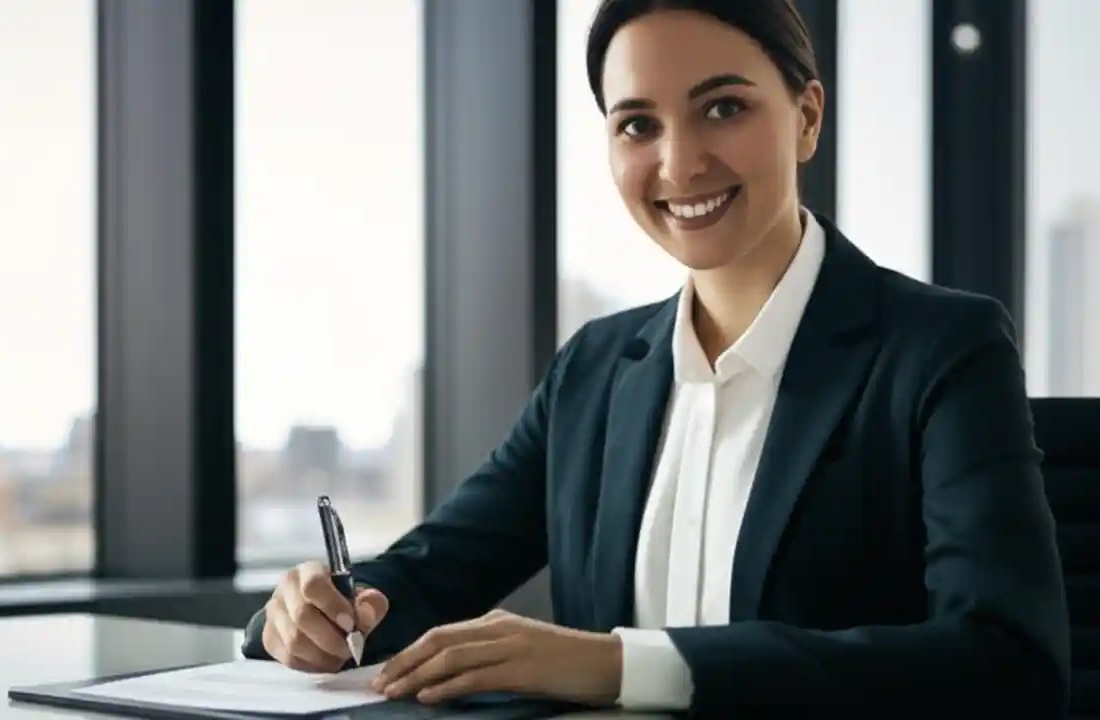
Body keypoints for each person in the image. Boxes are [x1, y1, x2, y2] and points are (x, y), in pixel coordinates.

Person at [242, 0, 1070, 715]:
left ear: (807, 117)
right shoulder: (595, 371)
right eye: (638, 124)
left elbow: (1006, 663)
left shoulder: (939, 351)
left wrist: (620, 665)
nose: (680, 163)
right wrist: (312, 614)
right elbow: (428, 576)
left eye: (723, 108)